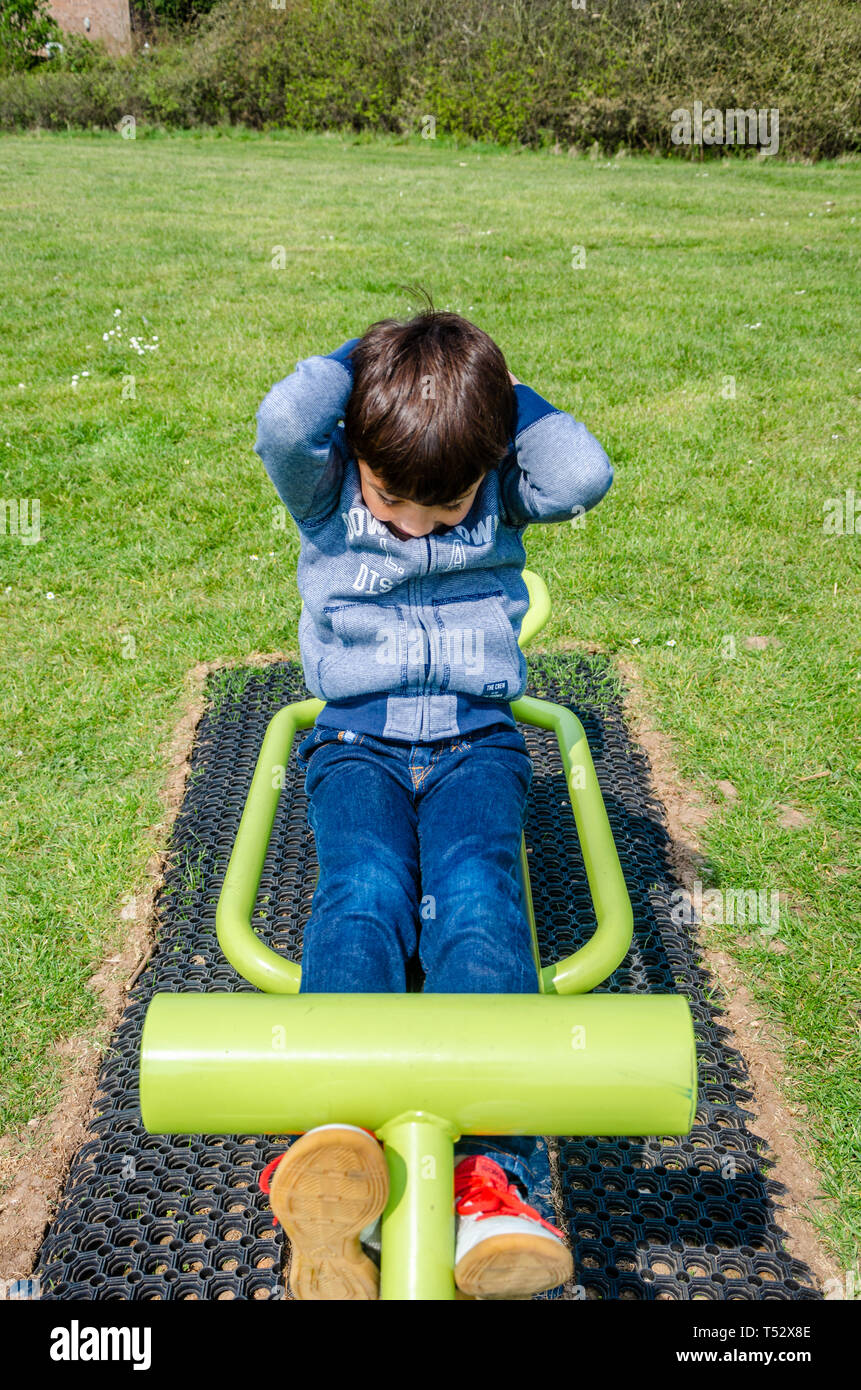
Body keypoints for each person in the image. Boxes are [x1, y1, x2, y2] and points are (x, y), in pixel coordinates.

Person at [252, 292, 613, 1299]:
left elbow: (585, 471)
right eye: (392, 499)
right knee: (362, 891)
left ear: (486, 467)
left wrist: (496, 407)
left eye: (441, 508)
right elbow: (285, 419)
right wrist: (367, 364)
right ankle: (330, 1154)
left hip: (475, 742)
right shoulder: (325, 488)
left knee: (479, 905)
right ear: (356, 459)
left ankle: (496, 1182)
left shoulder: (495, 483)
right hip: (357, 741)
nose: (412, 526)